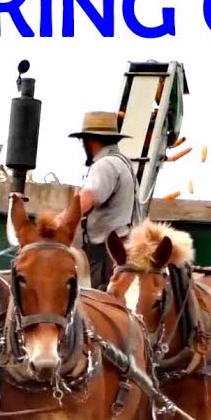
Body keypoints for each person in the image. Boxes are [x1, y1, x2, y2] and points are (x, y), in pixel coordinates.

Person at [69, 111, 139, 289]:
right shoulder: (123, 163)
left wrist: (57, 224)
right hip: (119, 248)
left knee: (92, 302)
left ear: (90, 141)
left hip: (104, 255)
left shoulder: (104, 165)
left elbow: (84, 201)